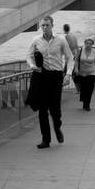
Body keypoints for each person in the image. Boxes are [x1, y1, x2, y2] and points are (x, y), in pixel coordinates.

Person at [28, 15, 73, 148]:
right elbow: (29, 55)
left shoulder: (61, 40)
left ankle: (57, 128)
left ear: (52, 25)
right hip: (42, 76)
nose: (45, 27)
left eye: (47, 25)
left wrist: (68, 74)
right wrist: (32, 65)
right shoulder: (36, 40)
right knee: (42, 110)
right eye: (42, 25)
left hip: (56, 76)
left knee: (55, 109)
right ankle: (45, 140)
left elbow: (70, 58)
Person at [75, 37, 95, 110]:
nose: (88, 45)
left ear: (92, 45)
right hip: (82, 73)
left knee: (89, 89)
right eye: (87, 43)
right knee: (83, 89)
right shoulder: (80, 50)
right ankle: (84, 102)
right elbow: (76, 60)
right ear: (84, 44)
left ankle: (87, 105)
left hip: (91, 73)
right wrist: (76, 69)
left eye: (90, 44)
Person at [62, 23, 80, 95]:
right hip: (75, 55)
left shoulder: (66, 36)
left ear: (64, 29)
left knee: (66, 73)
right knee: (73, 74)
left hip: (70, 57)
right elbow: (76, 46)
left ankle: (60, 86)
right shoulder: (73, 35)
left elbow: (65, 47)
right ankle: (78, 89)